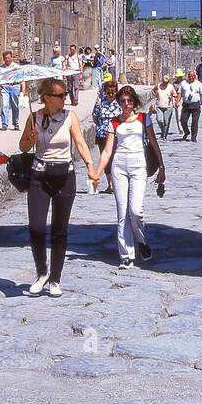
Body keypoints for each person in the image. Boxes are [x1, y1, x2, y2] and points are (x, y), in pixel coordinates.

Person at [19, 77, 97, 297]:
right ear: (47, 98)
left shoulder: (69, 117)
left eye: (65, 95)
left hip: (64, 176)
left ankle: (55, 279)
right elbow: (23, 145)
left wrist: (91, 167)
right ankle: (41, 272)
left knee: (59, 230)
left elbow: (80, 143)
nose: (65, 98)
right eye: (61, 95)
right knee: (36, 227)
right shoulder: (34, 117)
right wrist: (30, 140)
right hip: (39, 176)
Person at [93, 85, 166, 269]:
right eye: (123, 101)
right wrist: (97, 173)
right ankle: (126, 254)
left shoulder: (143, 118)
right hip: (119, 166)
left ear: (134, 101)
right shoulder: (114, 123)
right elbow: (108, 150)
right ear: (119, 102)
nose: (126, 104)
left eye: (129, 100)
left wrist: (162, 168)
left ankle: (141, 240)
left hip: (138, 165)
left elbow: (154, 143)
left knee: (135, 210)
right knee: (122, 212)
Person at [91, 79, 122, 193]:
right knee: (106, 160)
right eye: (108, 92)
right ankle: (110, 184)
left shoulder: (120, 104)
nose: (110, 94)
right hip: (102, 135)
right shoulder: (99, 104)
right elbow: (95, 118)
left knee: (116, 159)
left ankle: (118, 182)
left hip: (116, 136)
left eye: (112, 92)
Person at [179, 68, 202, 142]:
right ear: (188, 76)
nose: (191, 77)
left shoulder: (198, 83)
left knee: (195, 122)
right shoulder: (183, 83)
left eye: (193, 76)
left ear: (195, 76)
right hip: (186, 105)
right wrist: (177, 101)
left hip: (195, 105)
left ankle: (193, 137)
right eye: (190, 76)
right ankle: (186, 132)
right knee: (183, 120)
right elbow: (179, 93)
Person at [0, 49, 21, 131]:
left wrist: (24, 89)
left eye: (8, 58)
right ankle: (4, 124)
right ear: (3, 59)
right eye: (5, 58)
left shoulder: (17, 67)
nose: (7, 60)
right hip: (5, 87)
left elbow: (22, 78)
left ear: (12, 58)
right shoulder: (1, 68)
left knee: (15, 105)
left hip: (15, 87)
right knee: (4, 105)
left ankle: (16, 123)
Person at [152, 72, 176, 141]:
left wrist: (172, 96)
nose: (165, 83)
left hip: (168, 106)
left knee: (166, 122)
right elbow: (153, 91)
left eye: (166, 82)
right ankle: (163, 131)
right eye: (164, 82)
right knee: (160, 120)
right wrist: (155, 94)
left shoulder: (171, 86)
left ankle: (164, 135)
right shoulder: (158, 85)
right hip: (159, 106)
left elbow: (175, 94)